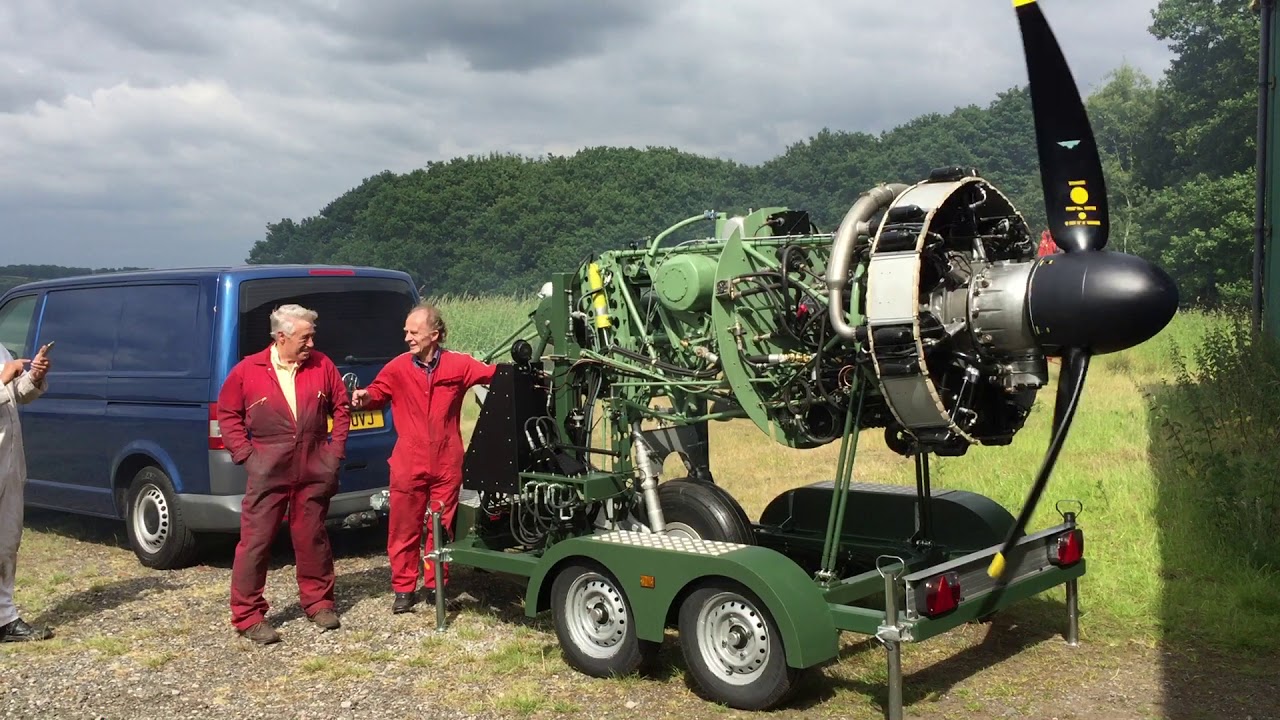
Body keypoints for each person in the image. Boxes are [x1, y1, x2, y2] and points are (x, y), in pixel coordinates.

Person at [217, 304, 351, 644]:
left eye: (312, 336)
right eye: (305, 337)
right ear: (281, 337)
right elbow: (228, 414)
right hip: (267, 465)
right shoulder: (248, 370)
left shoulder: (323, 365)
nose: (311, 343)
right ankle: (248, 616)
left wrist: (333, 452)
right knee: (256, 541)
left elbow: (342, 408)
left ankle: (319, 602)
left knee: (312, 537)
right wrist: (247, 455)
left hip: (314, 464)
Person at [351, 303, 495, 614]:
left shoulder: (458, 365)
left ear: (435, 334)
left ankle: (435, 587)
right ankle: (403, 590)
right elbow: (377, 392)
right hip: (408, 460)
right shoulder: (398, 367)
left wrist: (525, 372)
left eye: (413, 332)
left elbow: (492, 374)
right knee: (404, 527)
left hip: (446, 460)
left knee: (441, 526)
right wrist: (364, 397)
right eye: (406, 331)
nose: (407, 337)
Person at [0, 342, 52, 642]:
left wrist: (33, 376)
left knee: (7, 542)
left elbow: (17, 395)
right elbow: (6, 383)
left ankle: (5, 619)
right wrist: (4, 377)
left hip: (8, 460)